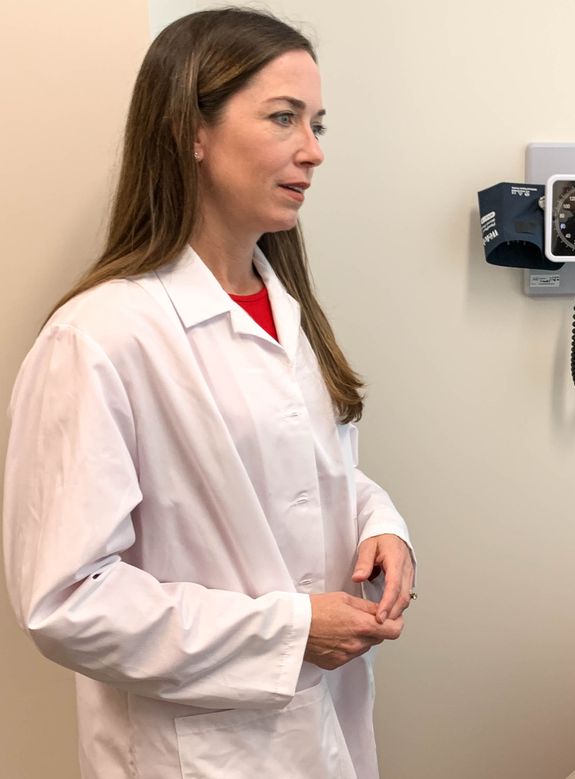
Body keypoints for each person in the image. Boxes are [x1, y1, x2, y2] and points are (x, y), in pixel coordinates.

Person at [2, 8, 414, 778]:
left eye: (317, 122)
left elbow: (300, 471)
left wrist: (380, 523)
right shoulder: (99, 336)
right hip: (191, 755)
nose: (314, 151)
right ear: (191, 130)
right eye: (283, 118)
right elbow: (66, 600)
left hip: (319, 731)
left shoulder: (285, 308)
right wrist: (289, 631)